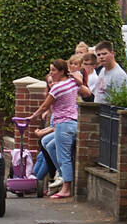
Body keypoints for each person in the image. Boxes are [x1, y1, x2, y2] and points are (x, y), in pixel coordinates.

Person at [31, 58, 90, 200]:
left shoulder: (57, 88)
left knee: (64, 157)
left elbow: (45, 106)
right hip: (73, 123)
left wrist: (32, 117)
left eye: (53, 70)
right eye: (50, 70)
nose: (51, 73)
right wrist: (79, 81)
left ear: (62, 71)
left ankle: (66, 187)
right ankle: (62, 175)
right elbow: (87, 93)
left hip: (63, 125)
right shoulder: (72, 82)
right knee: (49, 144)